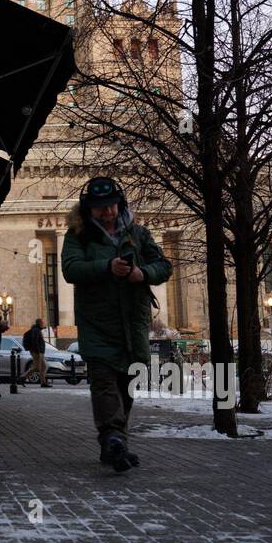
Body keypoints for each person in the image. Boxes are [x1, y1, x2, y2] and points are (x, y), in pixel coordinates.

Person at [62, 176, 172, 473]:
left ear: (119, 204)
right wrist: (106, 267)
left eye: (111, 206)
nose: (107, 213)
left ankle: (114, 443)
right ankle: (113, 437)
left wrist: (143, 273)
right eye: (100, 208)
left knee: (126, 388)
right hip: (98, 325)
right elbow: (70, 269)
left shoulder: (139, 234)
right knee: (104, 384)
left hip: (133, 326)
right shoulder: (79, 235)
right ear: (89, 209)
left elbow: (164, 266)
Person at [19, 317, 51, 388]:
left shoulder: (37, 330)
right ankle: (23, 377)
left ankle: (43, 382)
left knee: (42, 367)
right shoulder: (36, 330)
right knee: (38, 367)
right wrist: (38, 352)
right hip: (37, 352)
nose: (44, 323)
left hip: (38, 351)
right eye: (43, 322)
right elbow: (35, 341)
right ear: (39, 323)